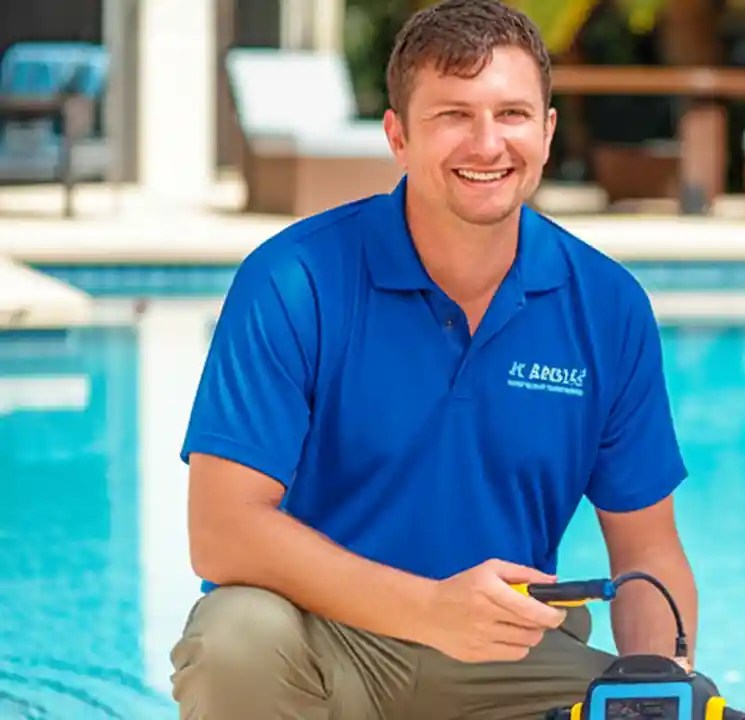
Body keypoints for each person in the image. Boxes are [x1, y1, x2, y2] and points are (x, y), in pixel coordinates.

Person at [168, 1, 697, 718]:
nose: (487, 145)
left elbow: (647, 555)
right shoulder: (295, 279)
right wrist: (429, 609)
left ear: (546, 132)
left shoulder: (607, 305)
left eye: (512, 114)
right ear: (398, 136)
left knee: (661, 707)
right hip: (325, 643)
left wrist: (659, 683)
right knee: (232, 637)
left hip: (507, 656)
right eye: (453, 115)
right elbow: (222, 532)